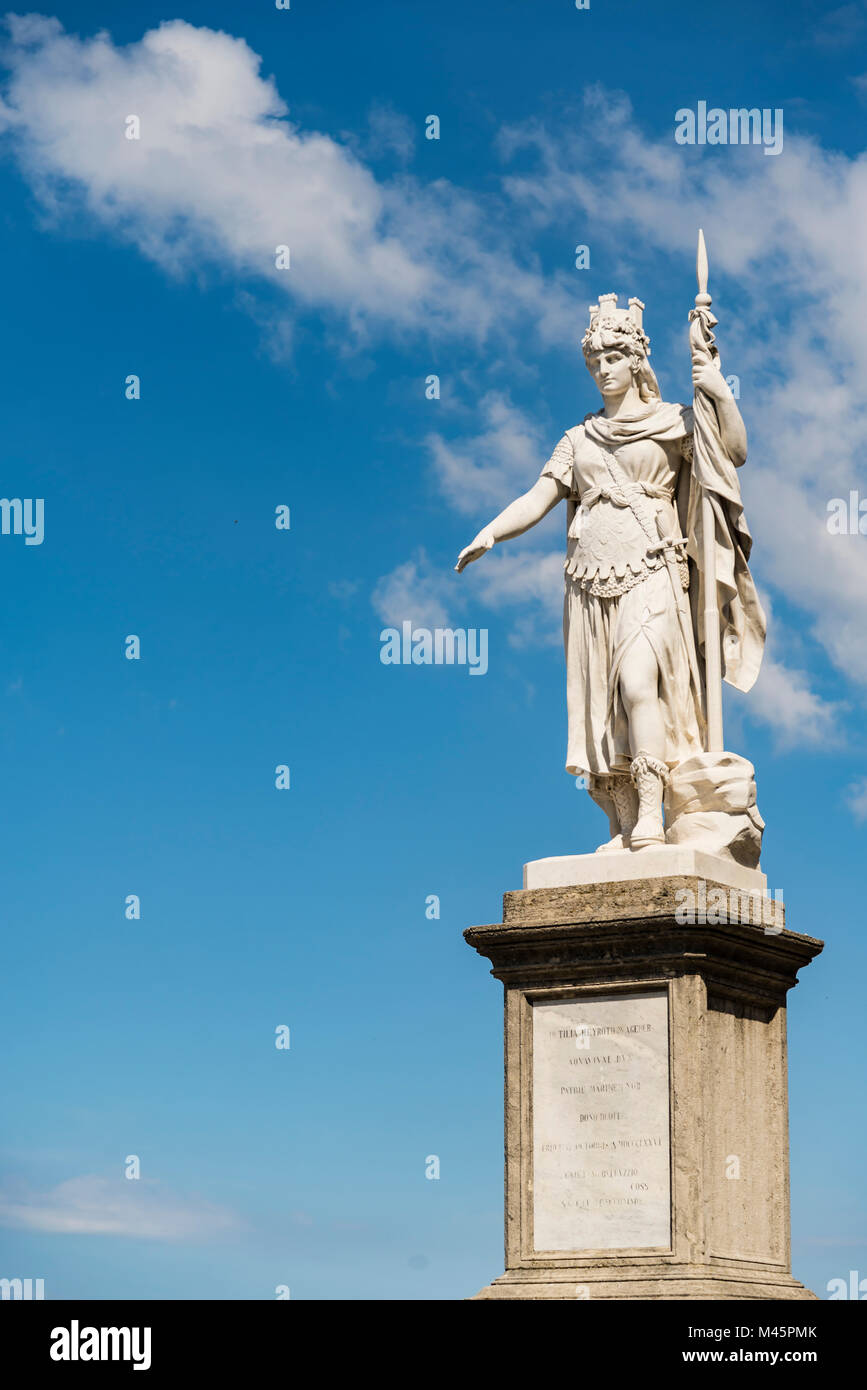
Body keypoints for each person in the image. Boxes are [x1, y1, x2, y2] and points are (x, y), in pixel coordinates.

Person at [455, 294, 763, 852]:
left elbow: (733, 453)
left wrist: (717, 387)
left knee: (637, 680)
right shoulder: (579, 438)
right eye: (595, 361)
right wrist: (491, 532)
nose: (603, 370)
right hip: (590, 578)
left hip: (652, 567)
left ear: (637, 360)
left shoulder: (675, 421)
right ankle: (621, 828)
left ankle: (652, 813)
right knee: (607, 702)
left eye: (614, 358)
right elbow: (539, 495)